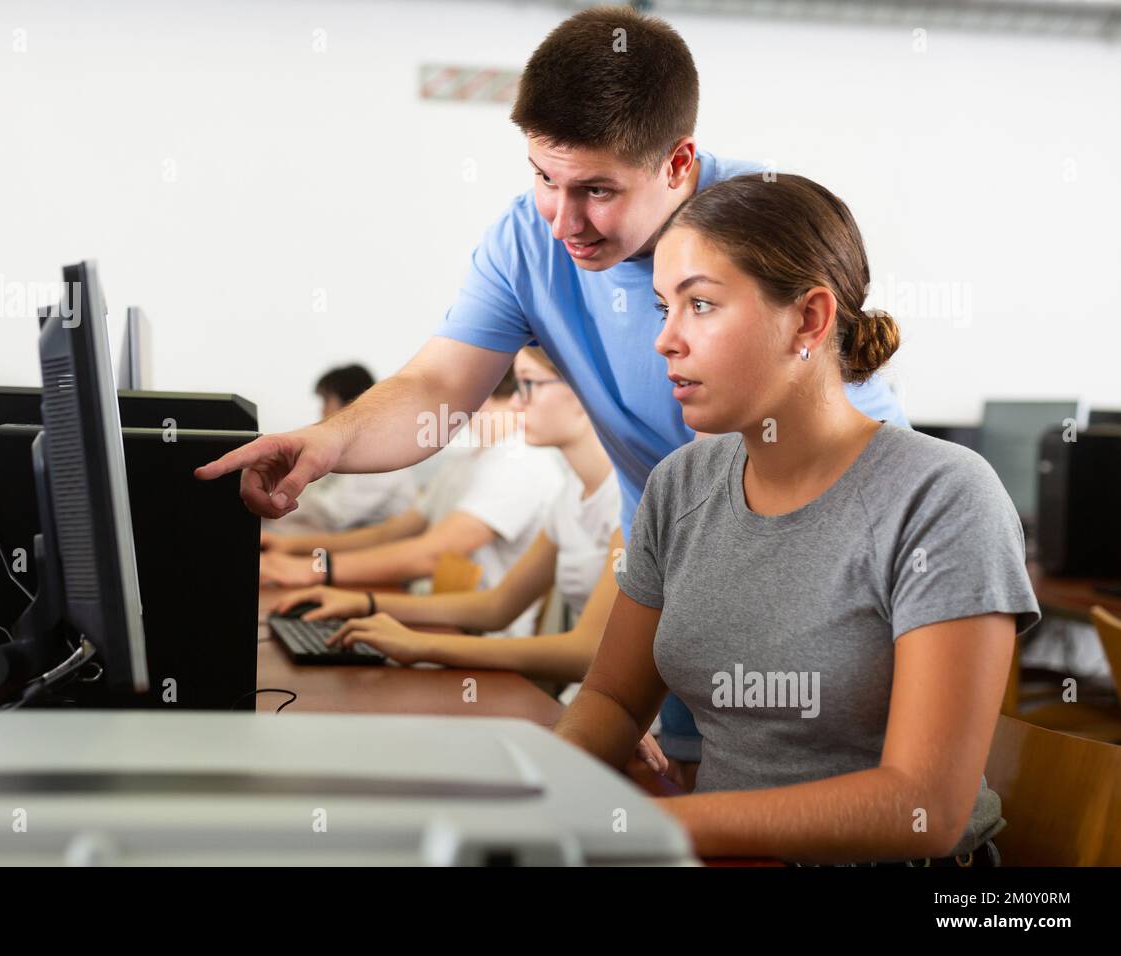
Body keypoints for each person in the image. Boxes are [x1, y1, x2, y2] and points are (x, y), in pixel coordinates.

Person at [197, 7, 908, 758]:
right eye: (544, 177)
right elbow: (440, 385)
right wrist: (326, 441)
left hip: (808, 572)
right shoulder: (527, 240)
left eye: (598, 190)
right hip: (673, 574)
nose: (563, 221)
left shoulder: (759, 231)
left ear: (678, 164)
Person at [554, 173, 1040, 865]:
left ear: (810, 320)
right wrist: (547, 791)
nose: (665, 340)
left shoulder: (943, 496)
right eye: (664, 307)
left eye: (700, 304)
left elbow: (923, 808)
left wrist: (668, 826)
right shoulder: (679, 486)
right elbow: (612, 697)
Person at [272, 347, 621, 678]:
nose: (517, 401)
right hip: (475, 636)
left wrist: (421, 644)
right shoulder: (569, 493)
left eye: (528, 385)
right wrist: (364, 602)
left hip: (495, 655)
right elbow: (497, 605)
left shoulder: (569, 480)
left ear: (582, 389)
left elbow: (586, 652)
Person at [260, 365, 566, 636]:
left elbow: (432, 554)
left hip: (472, 634)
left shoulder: (522, 463)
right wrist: (293, 548)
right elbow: (392, 532)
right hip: (431, 616)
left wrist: (315, 569)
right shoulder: (466, 462)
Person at [269, 364, 417, 535]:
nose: (322, 410)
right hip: (340, 539)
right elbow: (311, 496)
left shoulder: (382, 454)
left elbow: (330, 515)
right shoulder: (346, 450)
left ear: (350, 404)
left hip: (369, 550)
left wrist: (273, 506)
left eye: (326, 401)